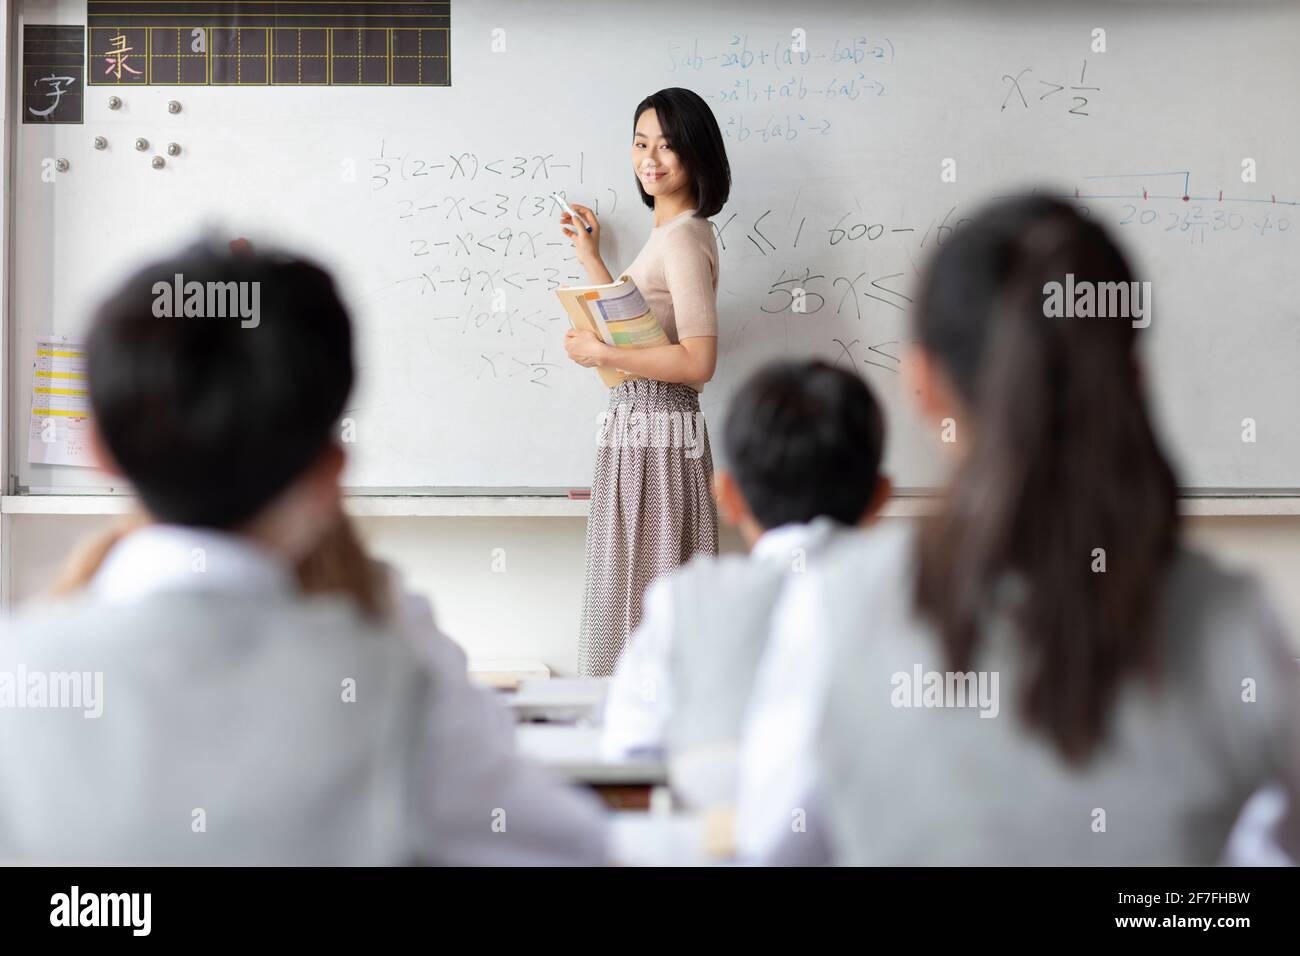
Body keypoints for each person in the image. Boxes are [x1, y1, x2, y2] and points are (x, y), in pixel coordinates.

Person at [0, 240, 607, 865]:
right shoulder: (396, 686)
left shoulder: (15, 673)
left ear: (97, 450)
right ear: (329, 472)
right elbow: (577, 852)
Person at [736, 196, 1300, 865]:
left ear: (922, 386)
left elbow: (771, 849)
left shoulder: (834, 610)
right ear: (1132, 378)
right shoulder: (1234, 626)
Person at [602, 359, 889, 819]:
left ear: (729, 496)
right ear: (881, 497)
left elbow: (628, 750)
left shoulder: (683, 601)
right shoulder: (926, 598)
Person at [561, 87, 731, 677]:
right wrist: (590, 259)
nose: (650, 159)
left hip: (658, 438)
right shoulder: (667, 235)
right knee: (635, 593)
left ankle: (639, 743)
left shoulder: (684, 237)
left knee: (645, 598)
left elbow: (696, 362)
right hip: (642, 434)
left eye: (668, 146)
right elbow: (642, 329)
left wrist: (602, 350)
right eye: (640, 143)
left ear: (697, 155)